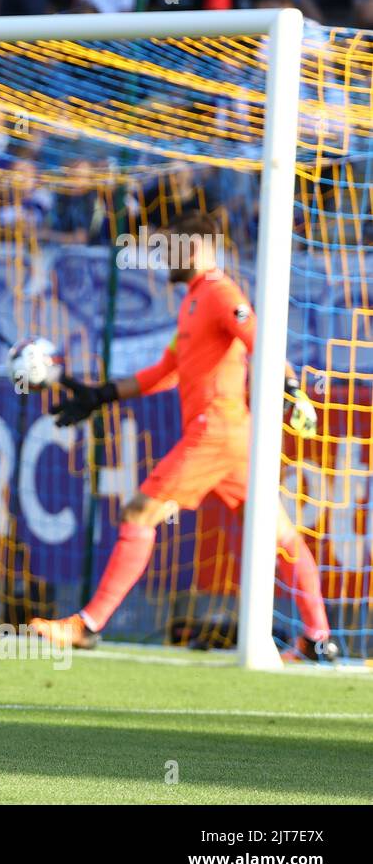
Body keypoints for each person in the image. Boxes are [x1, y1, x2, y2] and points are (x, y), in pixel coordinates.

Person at [29, 210, 338, 662]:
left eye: (167, 249)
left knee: (139, 512)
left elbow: (260, 338)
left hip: (214, 433)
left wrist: (291, 388)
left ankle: (88, 625)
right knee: (281, 537)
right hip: (233, 439)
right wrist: (102, 395)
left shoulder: (219, 293)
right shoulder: (193, 300)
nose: (160, 259)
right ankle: (318, 637)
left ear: (194, 249)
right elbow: (166, 370)